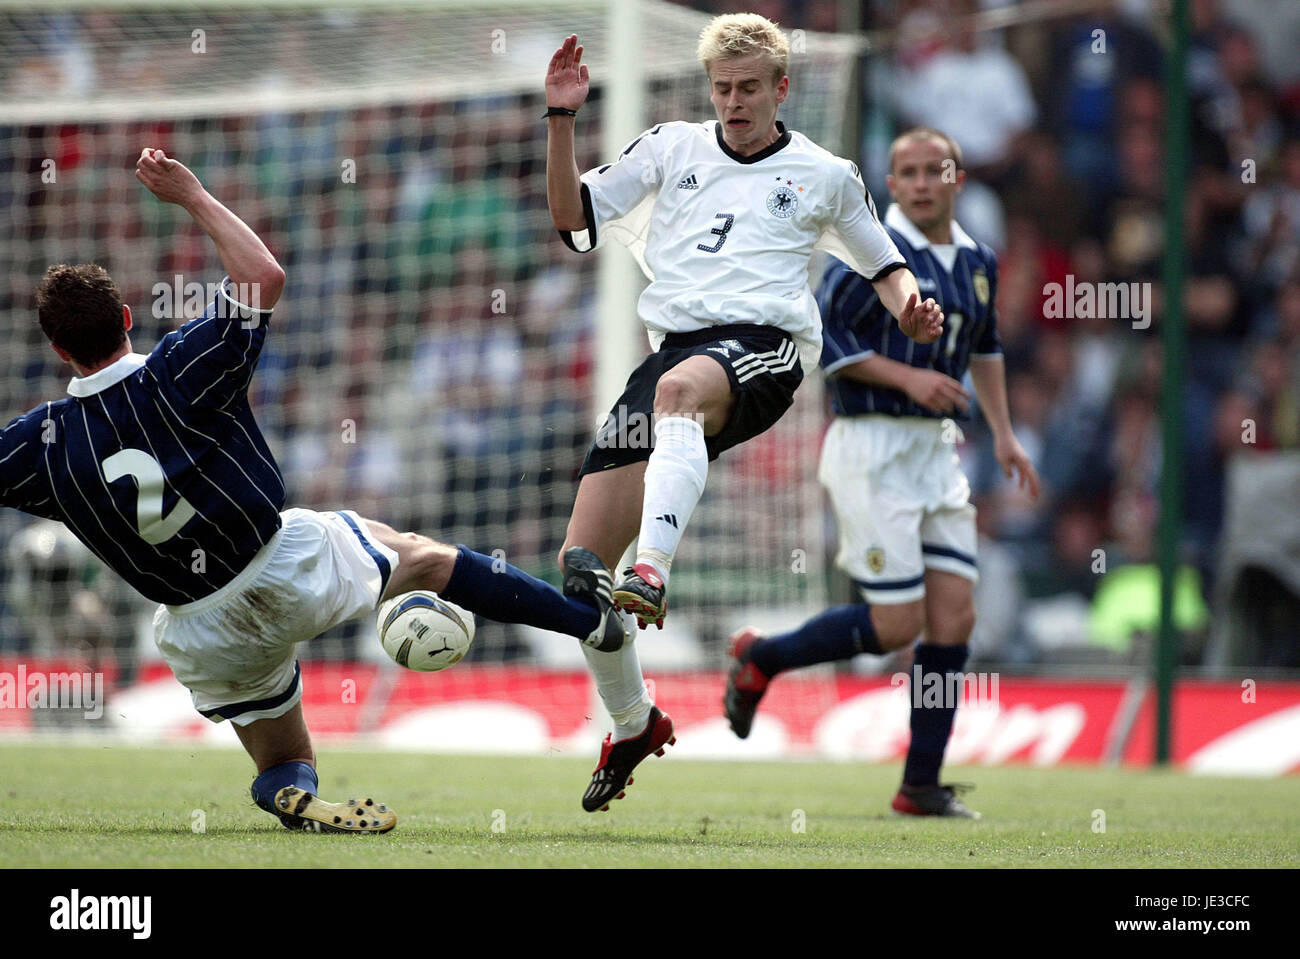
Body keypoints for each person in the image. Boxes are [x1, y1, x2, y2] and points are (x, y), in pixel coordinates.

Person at [0, 148, 626, 834]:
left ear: (58, 350)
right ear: (125, 318)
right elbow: (264, 274)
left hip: (199, 626)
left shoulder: (39, 443)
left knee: (285, 758)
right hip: (285, 562)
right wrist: (193, 196)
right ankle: (589, 622)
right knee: (425, 557)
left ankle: (287, 792)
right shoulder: (181, 366)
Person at [543, 14, 944, 813]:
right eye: (722, 88)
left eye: (749, 88)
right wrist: (561, 120)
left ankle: (653, 572)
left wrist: (909, 309)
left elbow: (883, 263)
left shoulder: (824, 174)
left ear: (781, 88)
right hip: (673, 355)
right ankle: (632, 722)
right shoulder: (671, 147)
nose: (734, 101)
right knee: (581, 569)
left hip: (764, 350)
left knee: (681, 395)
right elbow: (572, 221)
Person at [723, 128, 1040, 818]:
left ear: (958, 178)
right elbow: (823, 335)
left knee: (955, 615)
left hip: (936, 452)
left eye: (935, 170)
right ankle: (765, 656)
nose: (923, 183)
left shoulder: (980, 261)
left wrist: (1007, 434)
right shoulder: (871, 256)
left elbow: (985, 347)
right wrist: (907, 376)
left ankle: (919, 783)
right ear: (890, 186)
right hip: (870, 445)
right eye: (908, 173)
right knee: (898, 622)